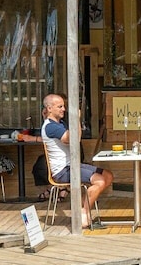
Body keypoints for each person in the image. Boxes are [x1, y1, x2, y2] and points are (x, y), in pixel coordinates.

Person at [39, 94, 111, 230]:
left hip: (72, 166)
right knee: (100, 181)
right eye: (60, 106)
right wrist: (76, 118)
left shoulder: (58, 124)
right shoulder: (50, 127)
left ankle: (83, 209)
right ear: (49, 108)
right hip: (62, 170)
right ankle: (83, 214)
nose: (64, 109)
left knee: (107, 176)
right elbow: (74, 139)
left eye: (64, 106)